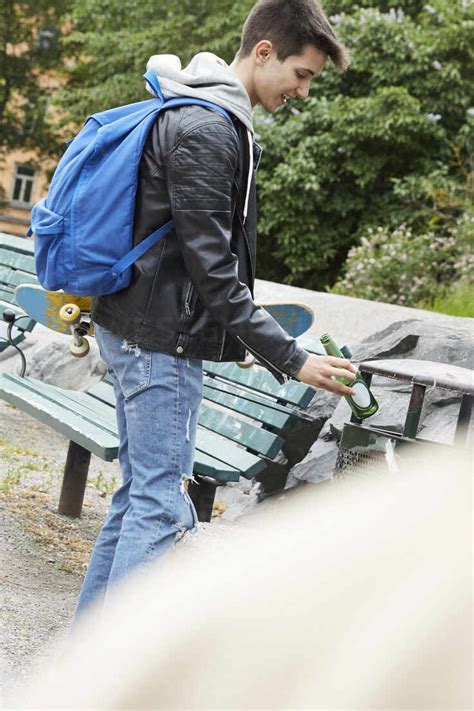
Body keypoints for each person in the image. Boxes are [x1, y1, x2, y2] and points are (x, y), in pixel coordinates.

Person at [75, 0, 354, 616]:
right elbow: (214, 271)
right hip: (160, 341)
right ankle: (116, 678)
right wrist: (293, 358)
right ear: (263, 52)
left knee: (139, 498)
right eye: (301, 74)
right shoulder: (207, 129)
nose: (303, 91)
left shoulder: (202, 115)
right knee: (158, 504)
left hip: (142, 328)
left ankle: (84, 664)